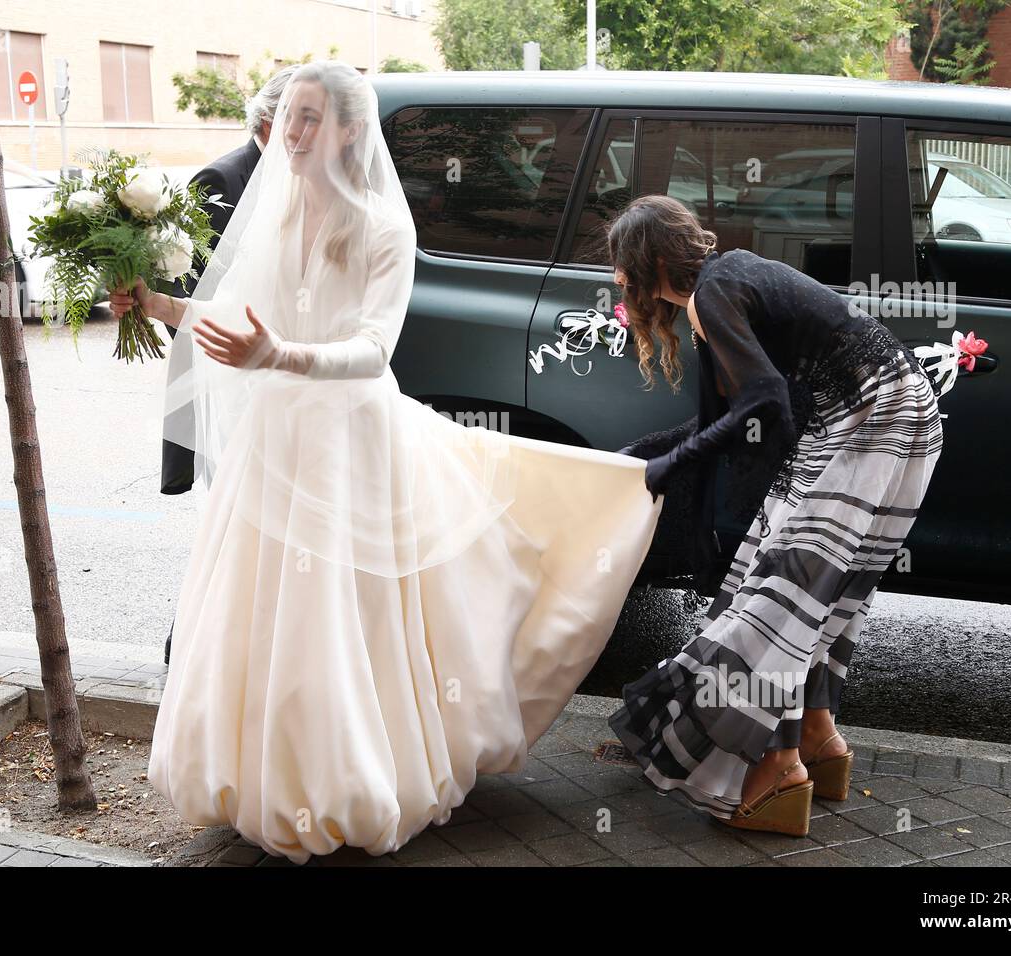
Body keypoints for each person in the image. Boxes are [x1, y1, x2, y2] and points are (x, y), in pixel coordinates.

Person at [109, 60, 663, 863]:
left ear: (347, 130)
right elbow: (231, 316)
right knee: (261, 611)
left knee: (340, 615)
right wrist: (154, 303)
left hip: (350, 441)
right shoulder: (278, 213)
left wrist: (281, 354)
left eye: (310, 117)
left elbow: (373, 350)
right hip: (275, 439)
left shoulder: (381, 227)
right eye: (289, 116)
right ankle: (260, 776)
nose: (292, 132)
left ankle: (346, 779)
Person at [605, 194, 944, 837]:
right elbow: (729, 419)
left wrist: (670, 464)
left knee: (779, 597)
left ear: (649, 264)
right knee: (806, 592)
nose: (617, 277)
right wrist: (645, 458)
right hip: (897, 410)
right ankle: (818, 737)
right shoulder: (728, 279)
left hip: (867, 418)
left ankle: (782, 767)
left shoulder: (713, 293)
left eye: (622, 262)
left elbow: (762, 404)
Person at [158, 66, 297, 667]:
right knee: (233, 514)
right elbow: (185, 282)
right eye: (297, 120)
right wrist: (226, 354)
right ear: (267, 122)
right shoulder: (221, 179)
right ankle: (195, 650)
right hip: (228, 375)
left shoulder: (302, 181)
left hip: (282, 374)